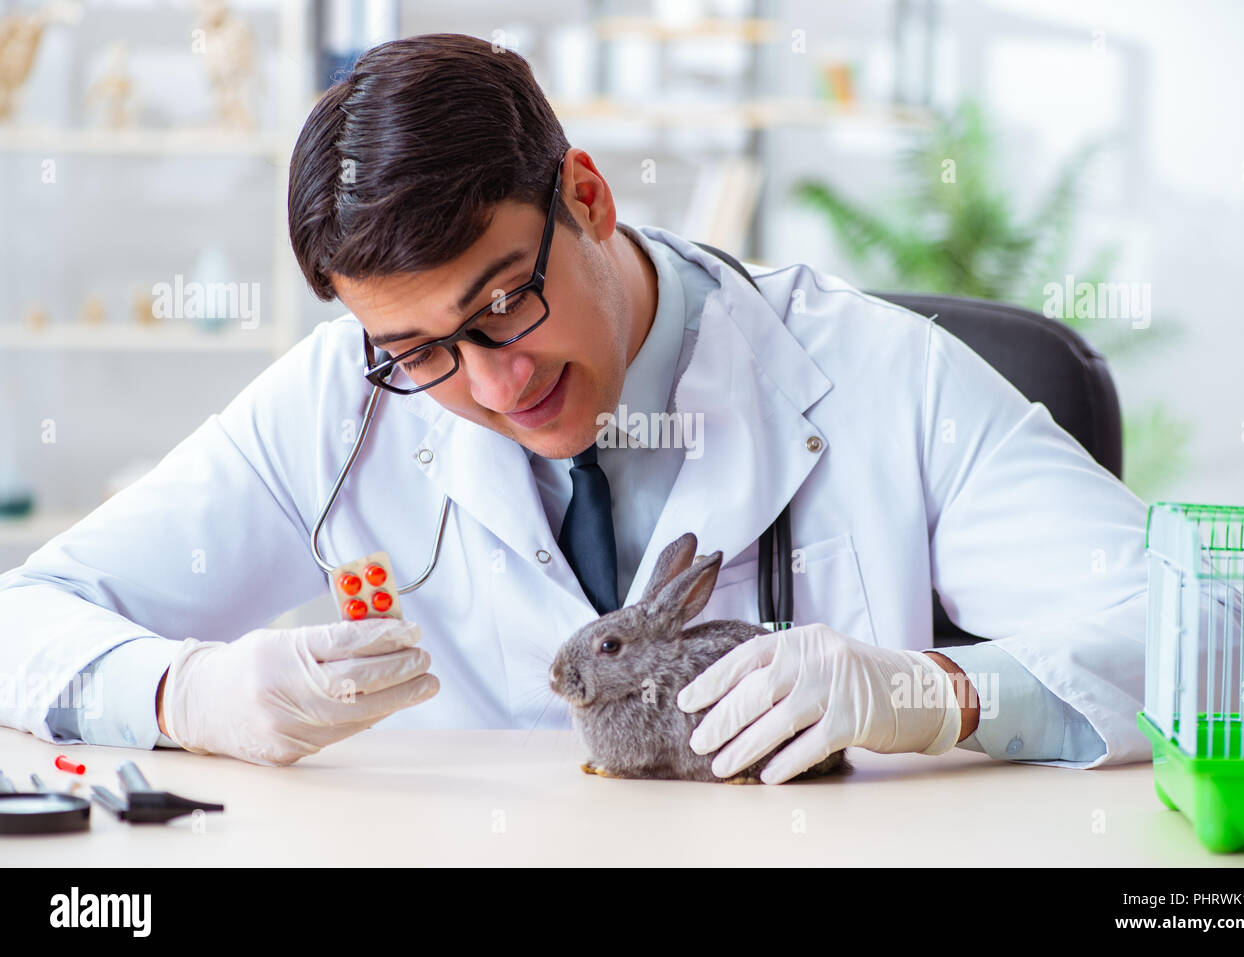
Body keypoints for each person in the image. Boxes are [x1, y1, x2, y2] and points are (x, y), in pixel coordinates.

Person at [0, 33, 1153, 780]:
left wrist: (939, 691)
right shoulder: (335, 404)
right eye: (417, 351)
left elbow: (1234, 651)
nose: (495, 385)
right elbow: (23, 620)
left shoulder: (884, 380)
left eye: (505, 301)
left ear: (588, 197)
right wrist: (186, 690)